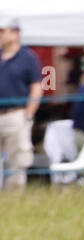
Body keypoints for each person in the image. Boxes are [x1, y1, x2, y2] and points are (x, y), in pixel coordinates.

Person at [0, 16, 43, 190]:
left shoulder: (28, 58)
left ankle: (15, 197)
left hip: (16, 114)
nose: (0, 35)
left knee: (18, 158)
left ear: (15, 33)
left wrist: (29, 113)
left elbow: (36, 87)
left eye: (3, 31)